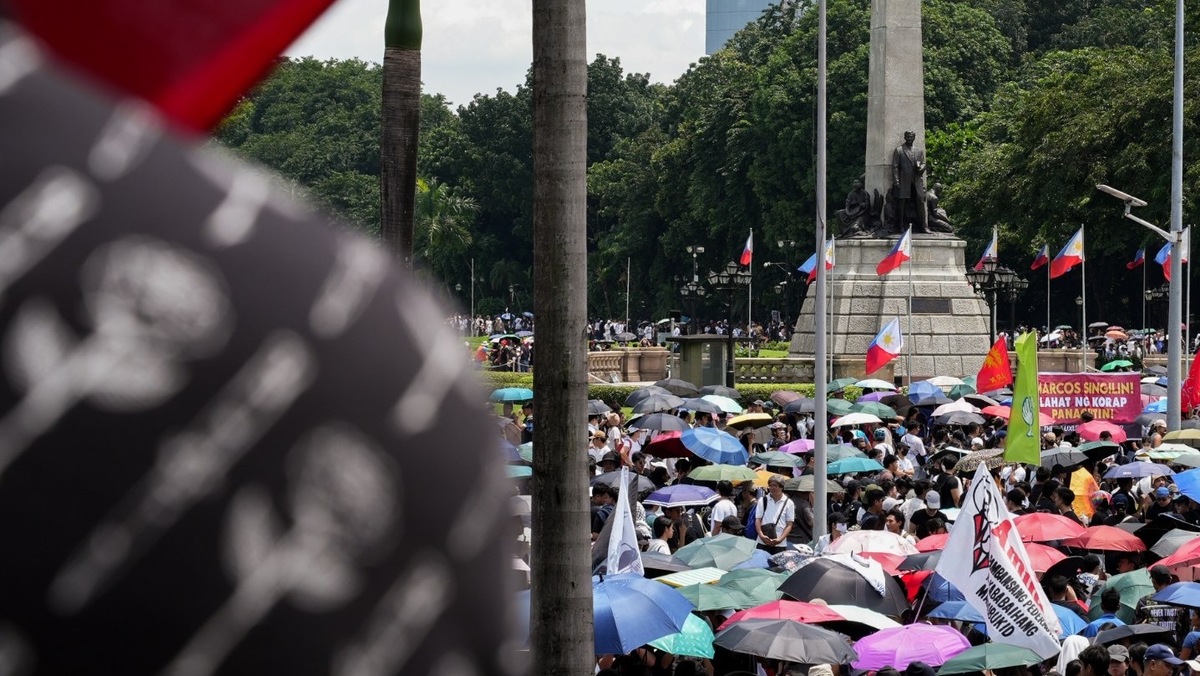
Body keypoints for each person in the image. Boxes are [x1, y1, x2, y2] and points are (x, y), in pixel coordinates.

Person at [1136, 566, 1189, 642]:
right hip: (1174, 649)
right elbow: (1186, 629)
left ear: (1153, 581)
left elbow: (1136, 628)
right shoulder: (1180, 602)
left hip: (1150, 648)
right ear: (1170, 579)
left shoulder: (1144, 602)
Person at [891, 130, 927, 231]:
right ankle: (901, 225)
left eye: (911, 137)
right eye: (908, 137)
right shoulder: (899, 150)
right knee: (902, 202)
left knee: (920, 201)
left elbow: (923, 163)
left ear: (914, 138)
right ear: (905, 137)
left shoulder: (919, 151)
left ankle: (923, 226)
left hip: (916, 180)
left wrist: (922, 168)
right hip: (903, 180)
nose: (910, 139)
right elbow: (895, 167)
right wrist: (896, 181)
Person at [755, 476, 794, 554]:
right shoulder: (763, 500)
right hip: (762, 541)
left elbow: (789, 524)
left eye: (775, 486)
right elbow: (758, 519)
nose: (772, 488)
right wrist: (761, 535)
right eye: (771, 485)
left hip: (780, 544)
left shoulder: (789, 503)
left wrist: (780, 539)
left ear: (781, 487)